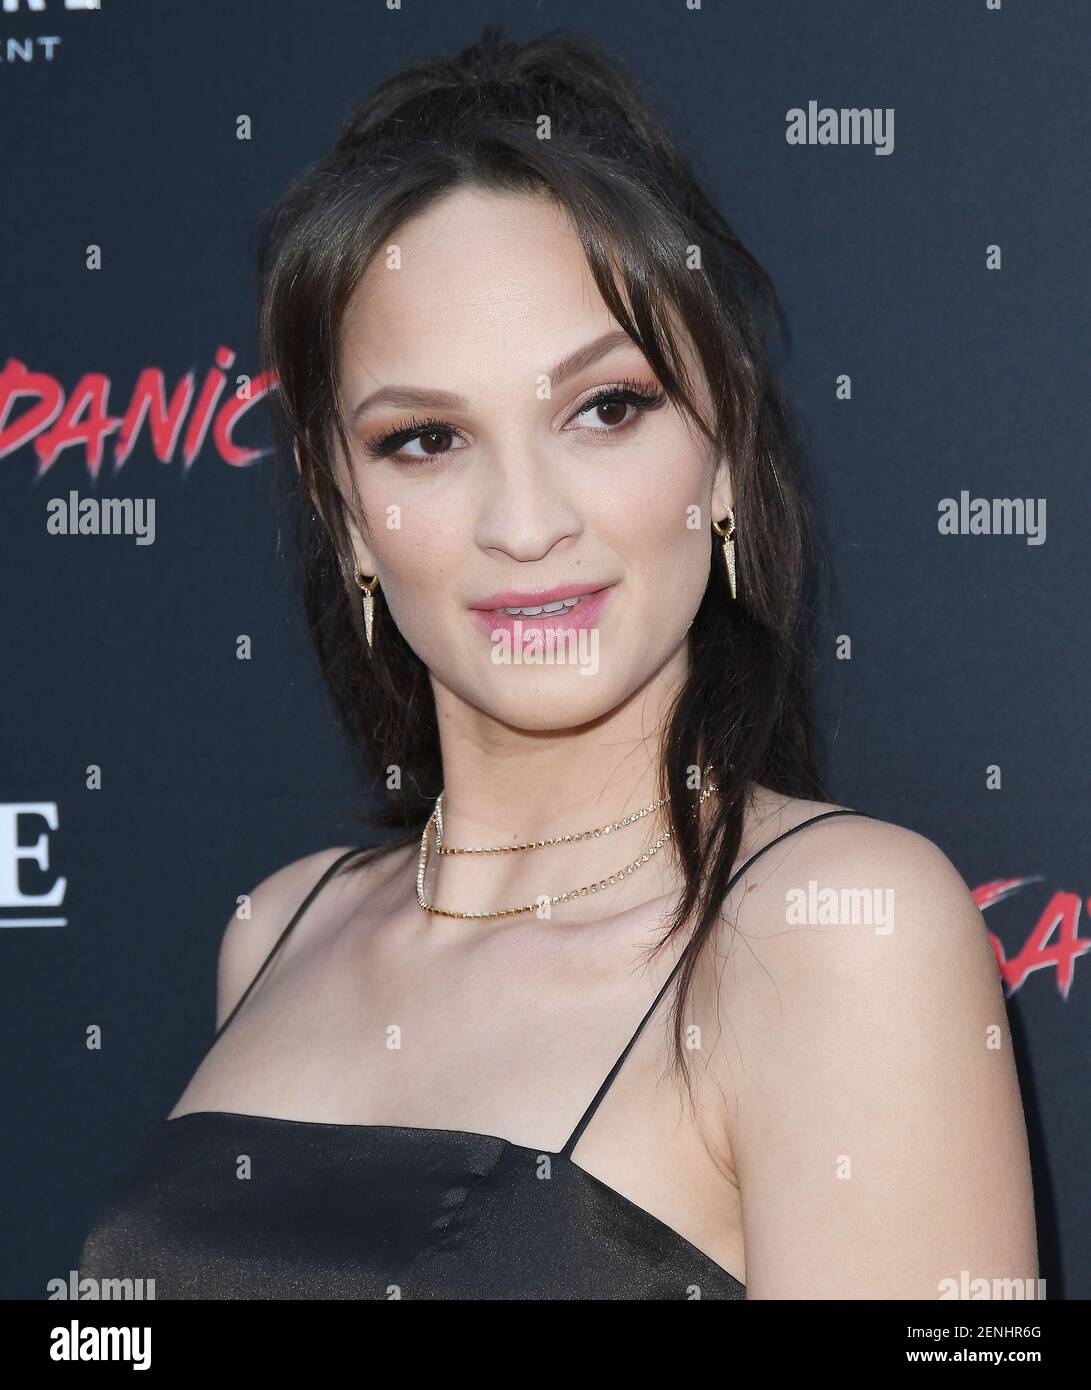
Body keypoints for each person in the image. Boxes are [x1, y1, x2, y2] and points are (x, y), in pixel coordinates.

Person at [79, 24, 1037, 1300]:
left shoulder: (836, 933)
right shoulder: (276, 928)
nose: (524, 521)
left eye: (605, 407)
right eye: (424, 437)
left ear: (721, 447)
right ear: (343, 503)